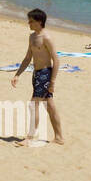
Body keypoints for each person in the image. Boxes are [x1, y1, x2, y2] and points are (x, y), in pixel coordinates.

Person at [11, 9, 64, 145]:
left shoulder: (46, 38)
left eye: (31, 21)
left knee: (33, 104)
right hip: (37, 74)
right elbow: (28, 58)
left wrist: (52, 81)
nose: (29, 23)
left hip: (46, 74)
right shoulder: (32, 37)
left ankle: (29, 137)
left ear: (39, 22)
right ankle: (59, 137)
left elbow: (56, 60)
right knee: (50, 106)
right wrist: (17, 74)